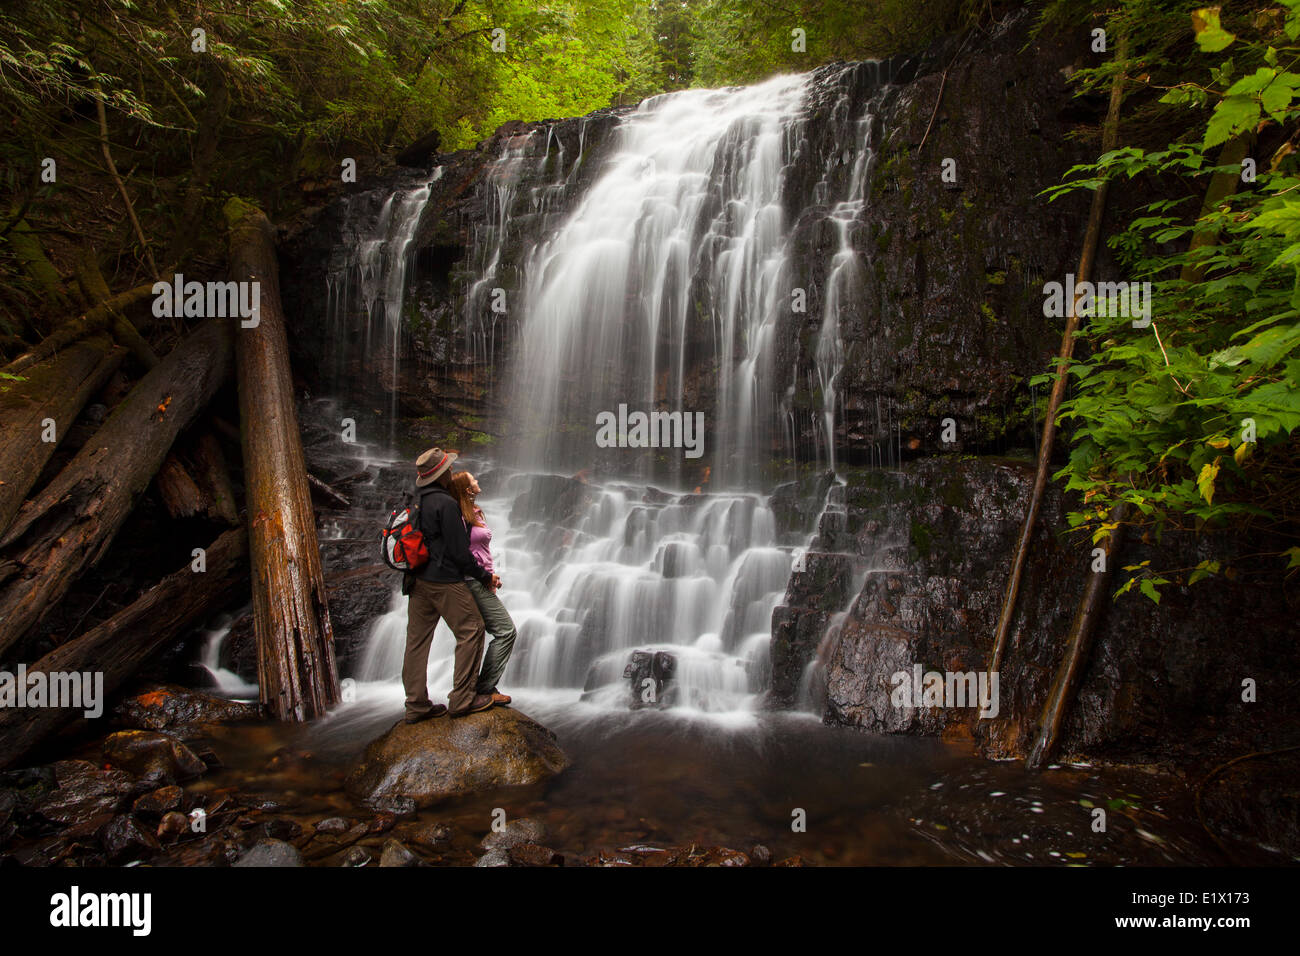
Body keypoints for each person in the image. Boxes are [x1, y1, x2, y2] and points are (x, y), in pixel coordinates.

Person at [402, 447, 499, 722]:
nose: (452, 471)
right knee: (472, 629)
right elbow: (459, 552)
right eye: (449, 469)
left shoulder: (416, 498)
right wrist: (483, 575)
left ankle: (415, 705)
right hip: (443, 580)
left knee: (416, 642)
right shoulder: (446, 504)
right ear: (442, 474)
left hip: (415, 580)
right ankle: (462, 698)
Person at [449, 471, 516, 706]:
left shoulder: (474, 512)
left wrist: (491, 576)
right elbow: (461, 552)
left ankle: (475, 688)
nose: (478, 482)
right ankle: (483, 688)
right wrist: (483, 577)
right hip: (472, 581)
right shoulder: (458, 514)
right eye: (473, 480)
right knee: (506, 631)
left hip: (481, 579)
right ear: (467, 490)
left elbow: (480, 551)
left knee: (480, 633)